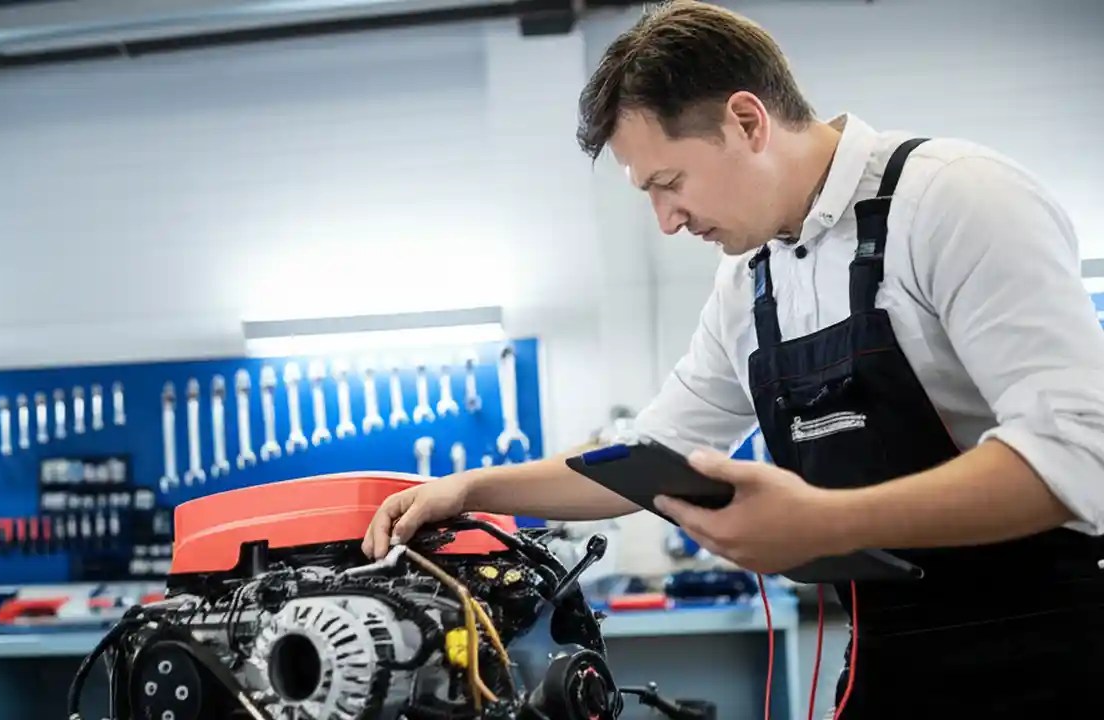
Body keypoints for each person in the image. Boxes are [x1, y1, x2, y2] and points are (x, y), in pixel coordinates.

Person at [364, 1, 1104, 717]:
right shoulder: (753, 280)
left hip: (1054, 651)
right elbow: (644, 460)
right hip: (889, 657)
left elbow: (1079, 451)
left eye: (669, 182)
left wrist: (827, 521)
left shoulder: (954, 200)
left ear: (747, 122)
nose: (667, 220)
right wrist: (469, 489)